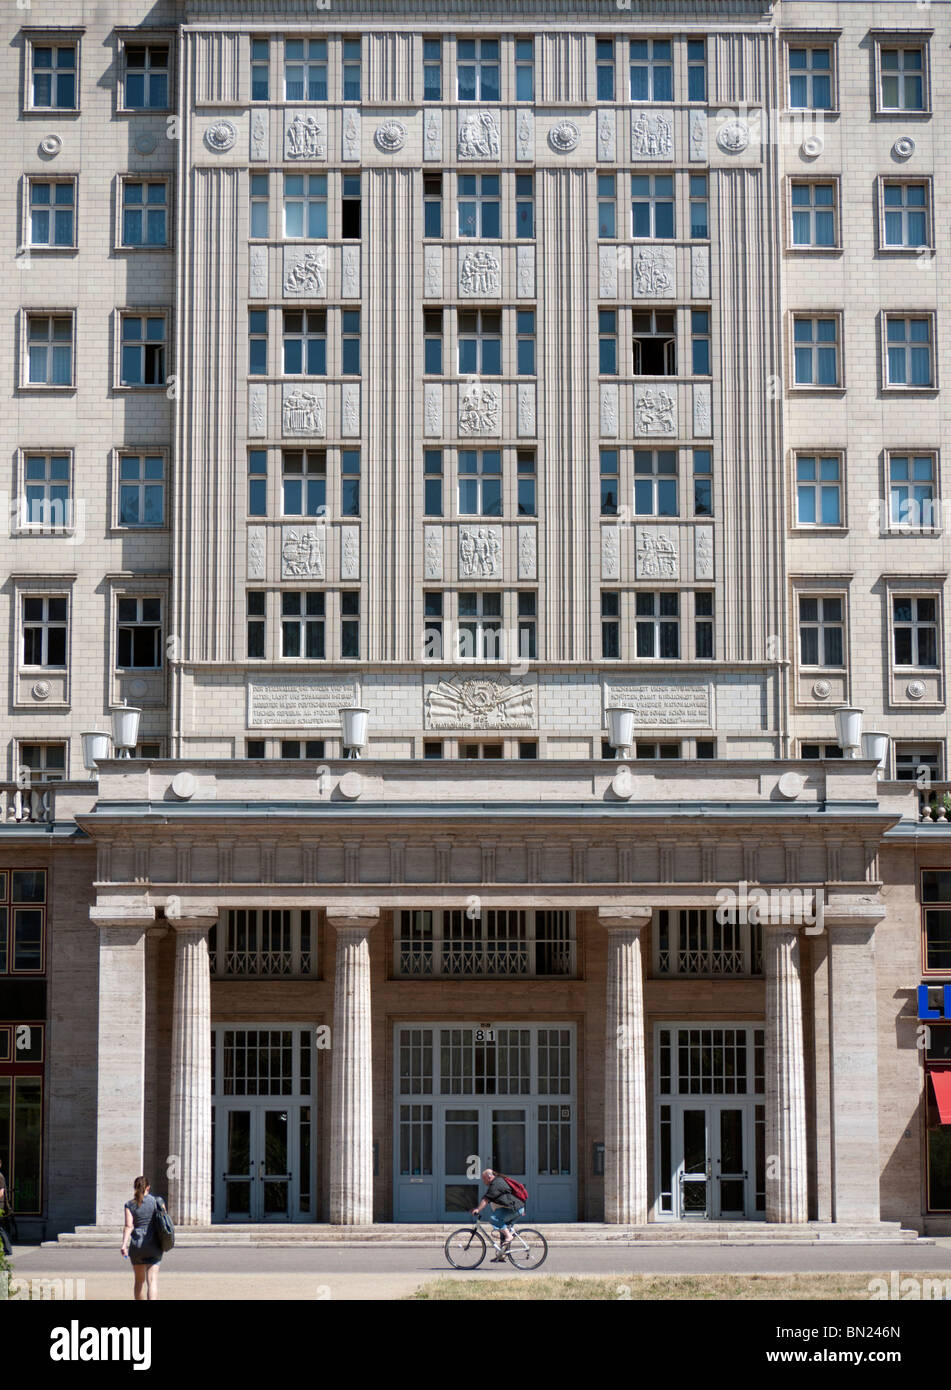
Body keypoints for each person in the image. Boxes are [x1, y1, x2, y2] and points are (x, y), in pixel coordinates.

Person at [120, 1176, 164, 1300]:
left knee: (139, 1282)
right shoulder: (157, 1202)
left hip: (137, 1246)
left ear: (135, 1188)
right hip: (154, 1245)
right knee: (152, 1281)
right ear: (148, 1187)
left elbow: (129, 1226)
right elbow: (165, 1221)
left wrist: (124, 1245)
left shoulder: (129, 1205)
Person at [472, 1168, 524, 1260]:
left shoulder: (496, 1184)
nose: (483, 1181)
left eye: (484, 1179)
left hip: (514, 1209)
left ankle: (509, 1236)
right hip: (514, 1208)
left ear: (489, 1177)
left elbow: (486, 1199)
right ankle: (501, 1255)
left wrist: (477, 1209)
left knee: (494, 1219)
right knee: (502, 1229)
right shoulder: (498, 1182)